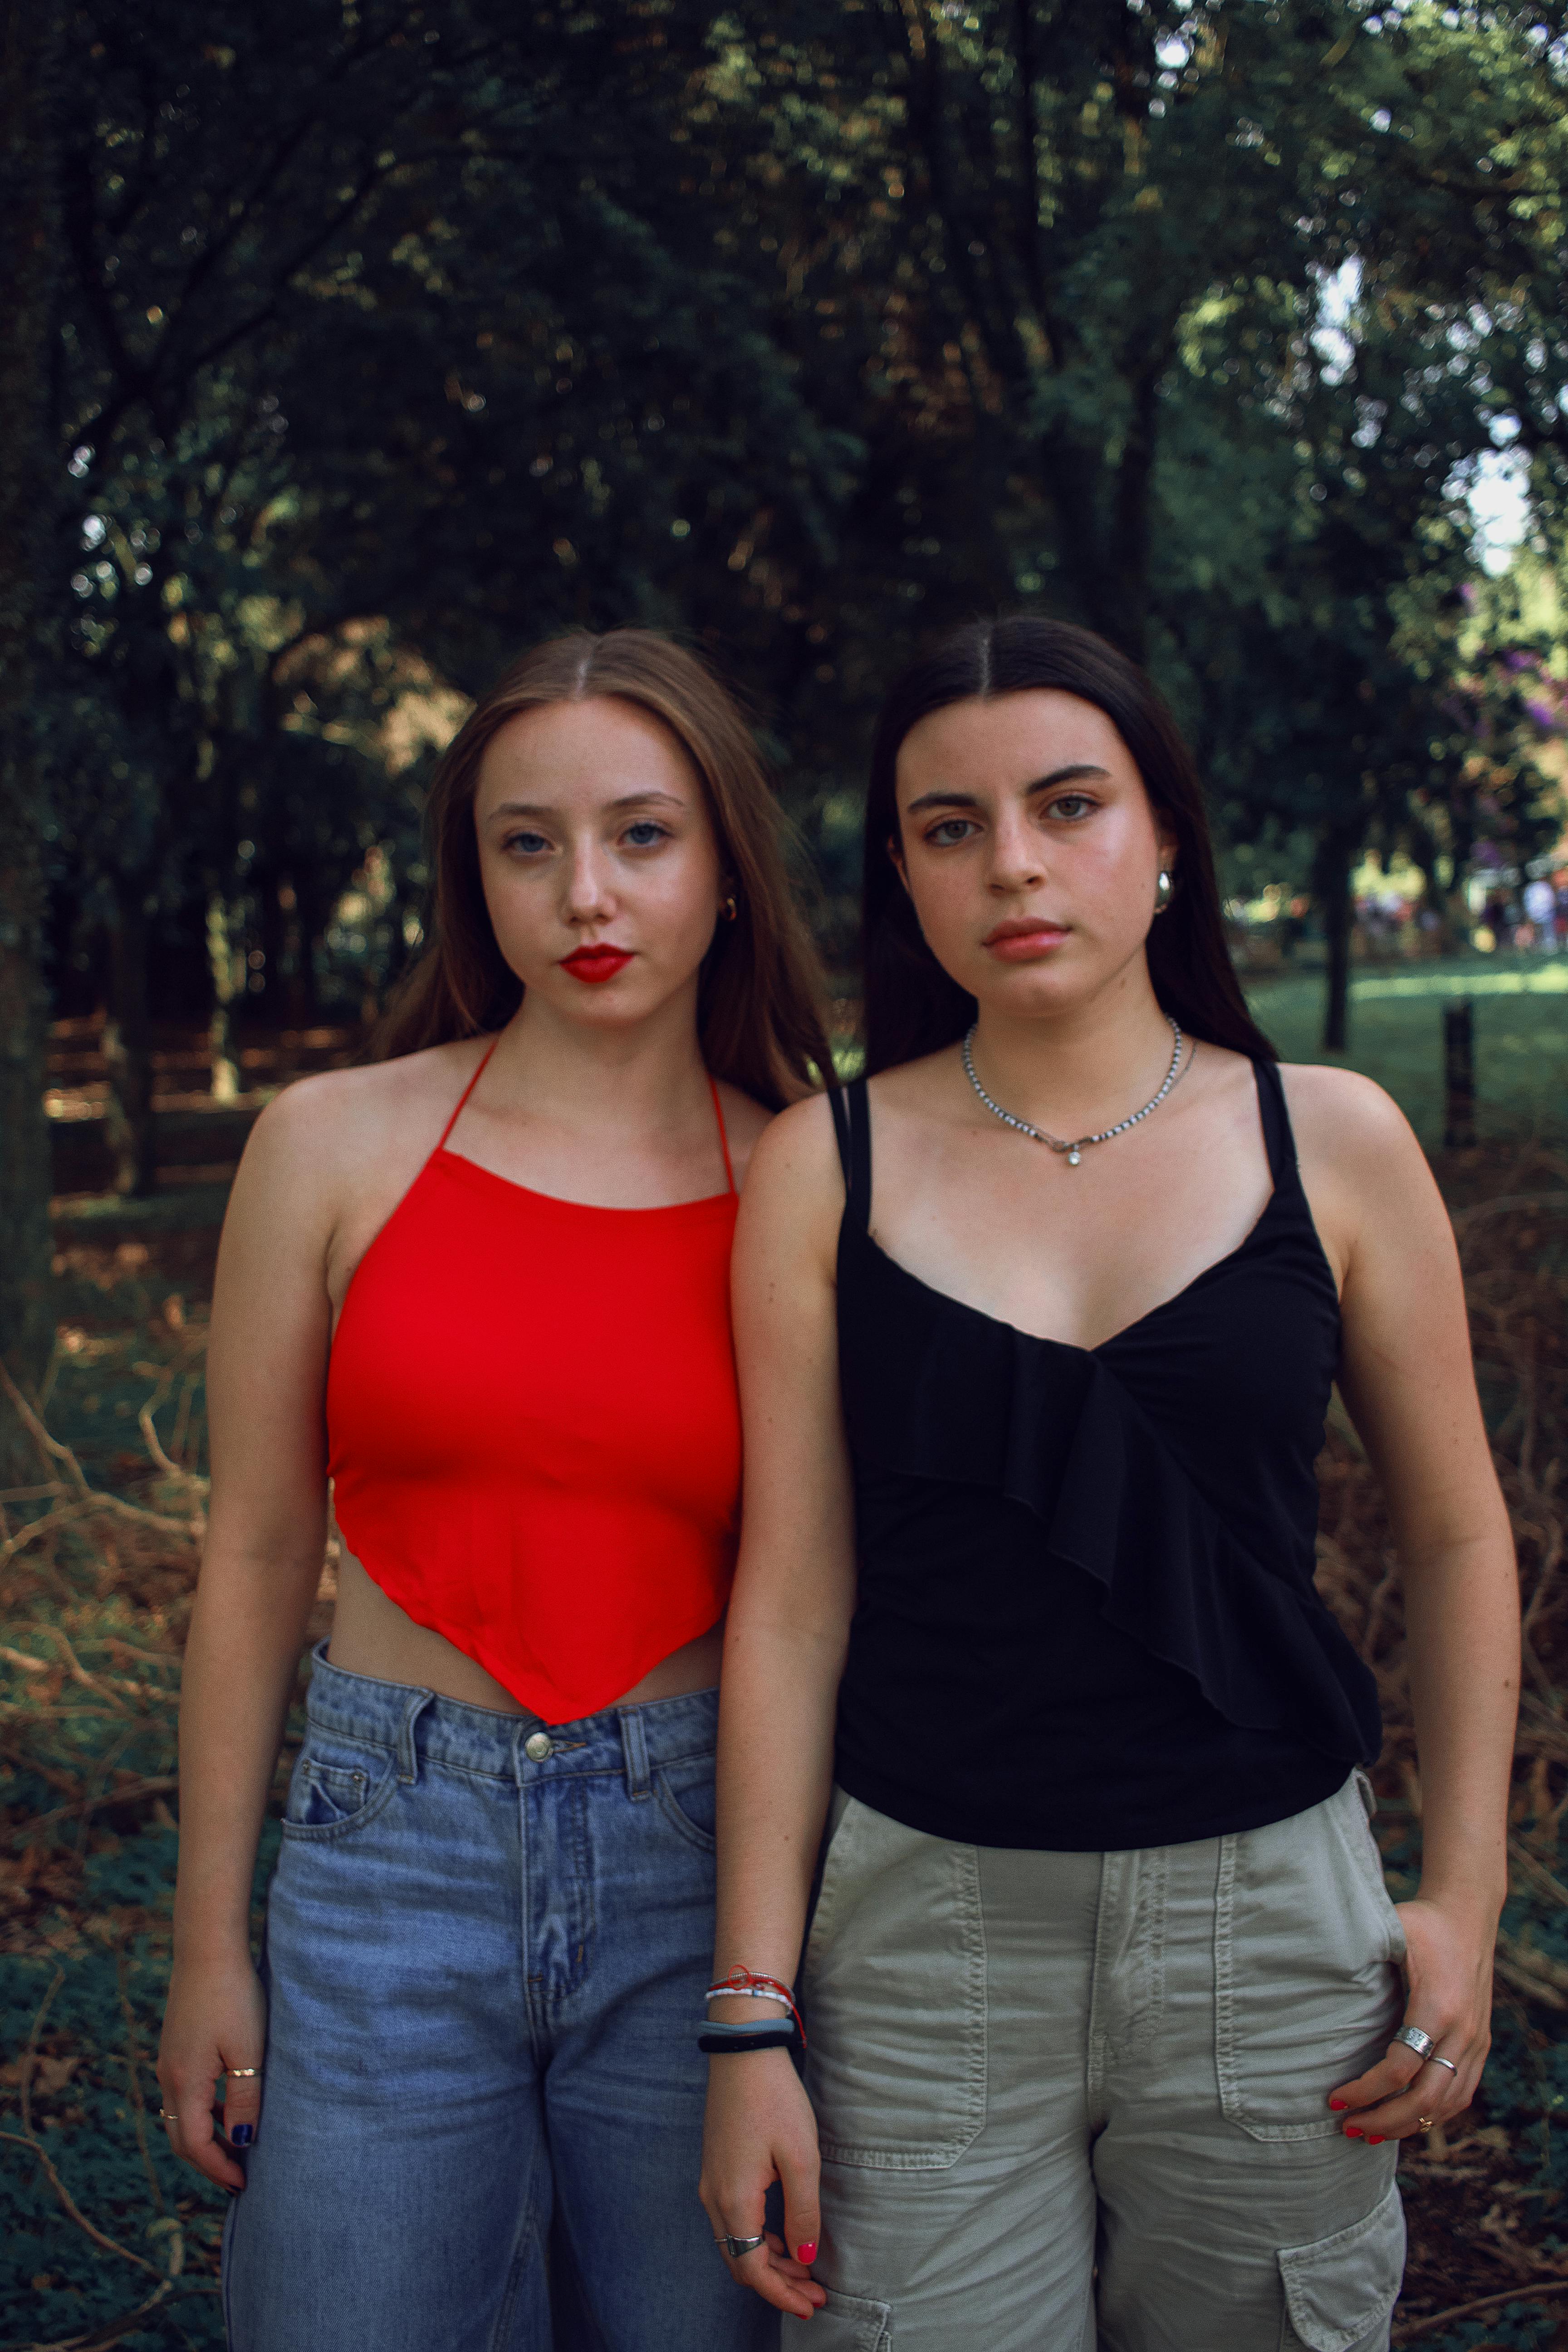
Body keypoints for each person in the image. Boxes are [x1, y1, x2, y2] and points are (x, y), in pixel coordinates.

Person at [700, 617, 1519, 2349]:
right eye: (948, 826)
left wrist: (1465, 1888)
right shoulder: (819, 1166)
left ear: (1165, 841)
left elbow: (1456, 1534)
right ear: (904, 877)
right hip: (925, 1940)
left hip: (1275, 1929)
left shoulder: (1335, 1139)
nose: (1013, 863)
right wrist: (751, 2016)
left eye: (1069, 805)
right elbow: (788, 1603)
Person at [157, 627, 828, 2352]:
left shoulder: (813, 1175)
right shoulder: (331, 1144)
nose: (585, 895)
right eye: (528, 844)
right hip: (390, 1850)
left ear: (729, 866)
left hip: (703, 1859)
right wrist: (207, 1942)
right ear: (474, 877)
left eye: (643, 838)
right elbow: (250, 1555)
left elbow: (821, 1592)